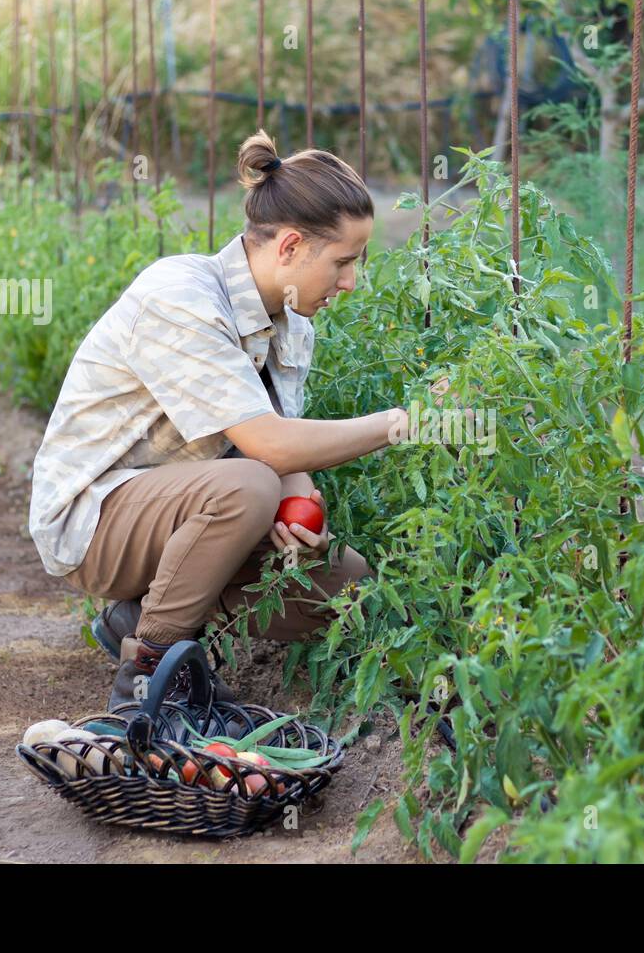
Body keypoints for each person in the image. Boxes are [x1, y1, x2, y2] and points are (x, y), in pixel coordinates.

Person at [27, 128, 408, 713]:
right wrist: (397, 424)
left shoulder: (291, 322)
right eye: (343, 262)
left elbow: (284, 451)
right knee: (249, 486)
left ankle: (137, 615)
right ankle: (151, 673)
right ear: (289, 247)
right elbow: (268, 448)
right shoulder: (182, 297)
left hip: (190, 509)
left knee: (347, 589)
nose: (351, 283)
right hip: (95, 519)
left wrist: (306, 525)